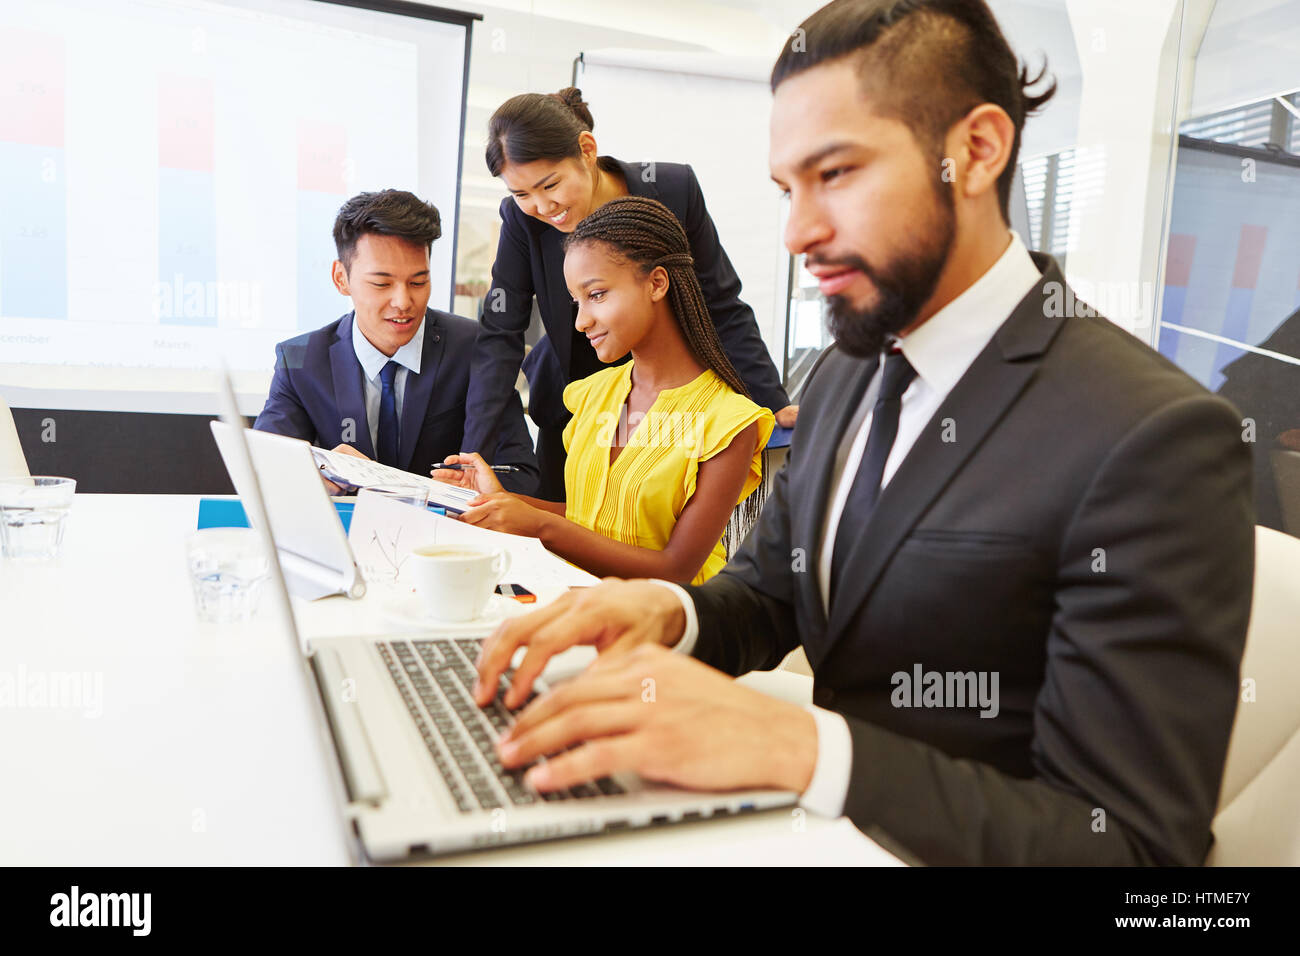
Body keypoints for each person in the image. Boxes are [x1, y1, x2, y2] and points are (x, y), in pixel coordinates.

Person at [466, 0, 1256, 866]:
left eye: (836, 173)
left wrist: (801, 746)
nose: (799, 232)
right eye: (787, 190)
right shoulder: (846, 373)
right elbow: (772, 596)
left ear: (979, 150)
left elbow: (1136, 852)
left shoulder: (1152, 437)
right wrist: (665, 609)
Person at [462, 87, 796, 501]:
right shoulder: (522, 220)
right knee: (564, 526)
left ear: (586, 149)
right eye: (522, 193)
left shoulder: (672, 190)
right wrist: (473, 448)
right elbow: (500, 333)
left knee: (649, 524)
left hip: (668, 398)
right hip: (575, 401)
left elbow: (721, 304)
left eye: (550, 185)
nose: (543, 206)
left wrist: (770, 400)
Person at [433, 196, 774, 586]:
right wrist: (499, 500)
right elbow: (587, 520)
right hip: (574, 608)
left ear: (657, 283)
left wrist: (540, 527)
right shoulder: (593, 393)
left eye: (597, 295)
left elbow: (675, 569)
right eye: (576, 302)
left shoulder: (729, 423)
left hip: (660, 630)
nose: (581, 321)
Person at [253, 190, 538, 493]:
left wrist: (466, 489)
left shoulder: (477, 350)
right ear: (341, 278)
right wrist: (320, 471)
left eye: (418, 282)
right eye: (381, 283)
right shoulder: (299, 359)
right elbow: (265, 470)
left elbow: (521, 474)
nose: (403, 302)